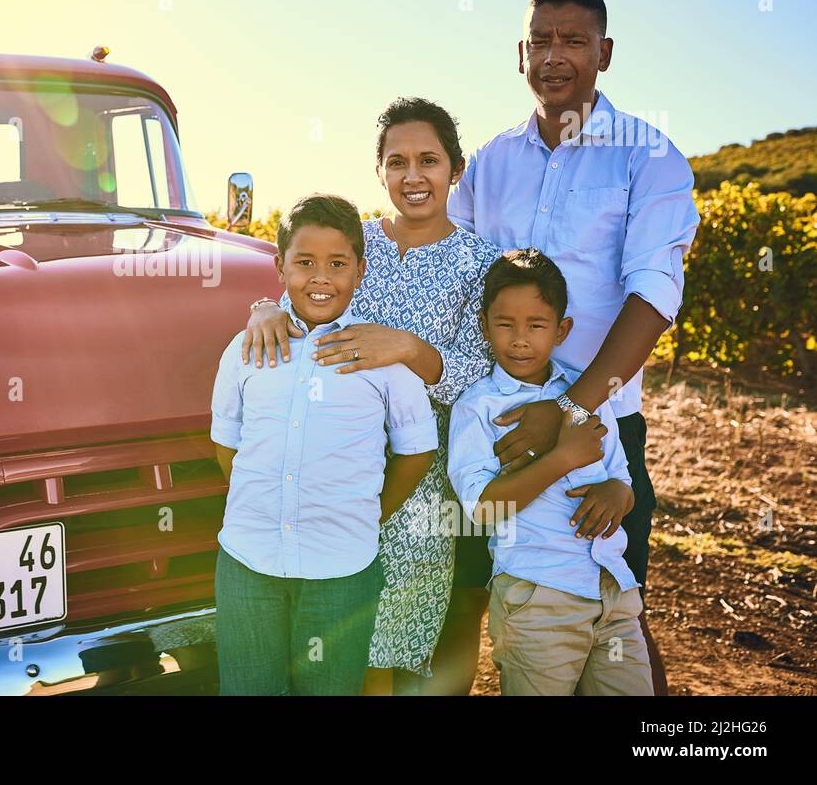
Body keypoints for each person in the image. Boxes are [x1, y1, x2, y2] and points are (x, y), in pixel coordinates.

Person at [446, 0, 700, 694]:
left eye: (574, 41)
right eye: (541, 41)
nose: (554, 56)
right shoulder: (490, 162)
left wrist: (567, 414)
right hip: (494, 428)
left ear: (605, 53)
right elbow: (452, 271)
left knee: (616, 602)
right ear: (520, 53)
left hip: (603, 431)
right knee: (479, 596)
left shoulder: (649, 158)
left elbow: (653, 296)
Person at [242, 100, 501, 694]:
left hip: (415, 477)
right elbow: (297, 307)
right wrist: (262, 310)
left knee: (378, 645)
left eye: (429, 161)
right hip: (324, 462)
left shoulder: (481, 262)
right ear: (379, 171)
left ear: (455, 170)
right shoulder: (354, 242)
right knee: (321, 637)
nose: (413, 176)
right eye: (397, 162)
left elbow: (477, 378)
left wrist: (409, 349)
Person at [211, 194, 439, 695]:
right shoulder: (247, 348)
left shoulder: (381, 358)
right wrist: (262, 500)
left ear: (359, 271)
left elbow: (417, 450)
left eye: (337, 264)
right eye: (305, 263)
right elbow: (227, 442)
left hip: (341, 566)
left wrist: (370, 512)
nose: (320, 277)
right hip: (249, 562)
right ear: (280, 268)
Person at [448, 248, 652, 695]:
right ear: (485, 327)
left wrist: (619, 494)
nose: (520, 339)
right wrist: (561, 458)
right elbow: (483, 510)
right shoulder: (479, 408)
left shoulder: (588, 394)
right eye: (505, 325)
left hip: (612, 592)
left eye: (536, 326)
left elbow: (623, 479)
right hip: (537, 597)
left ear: (561, 330)